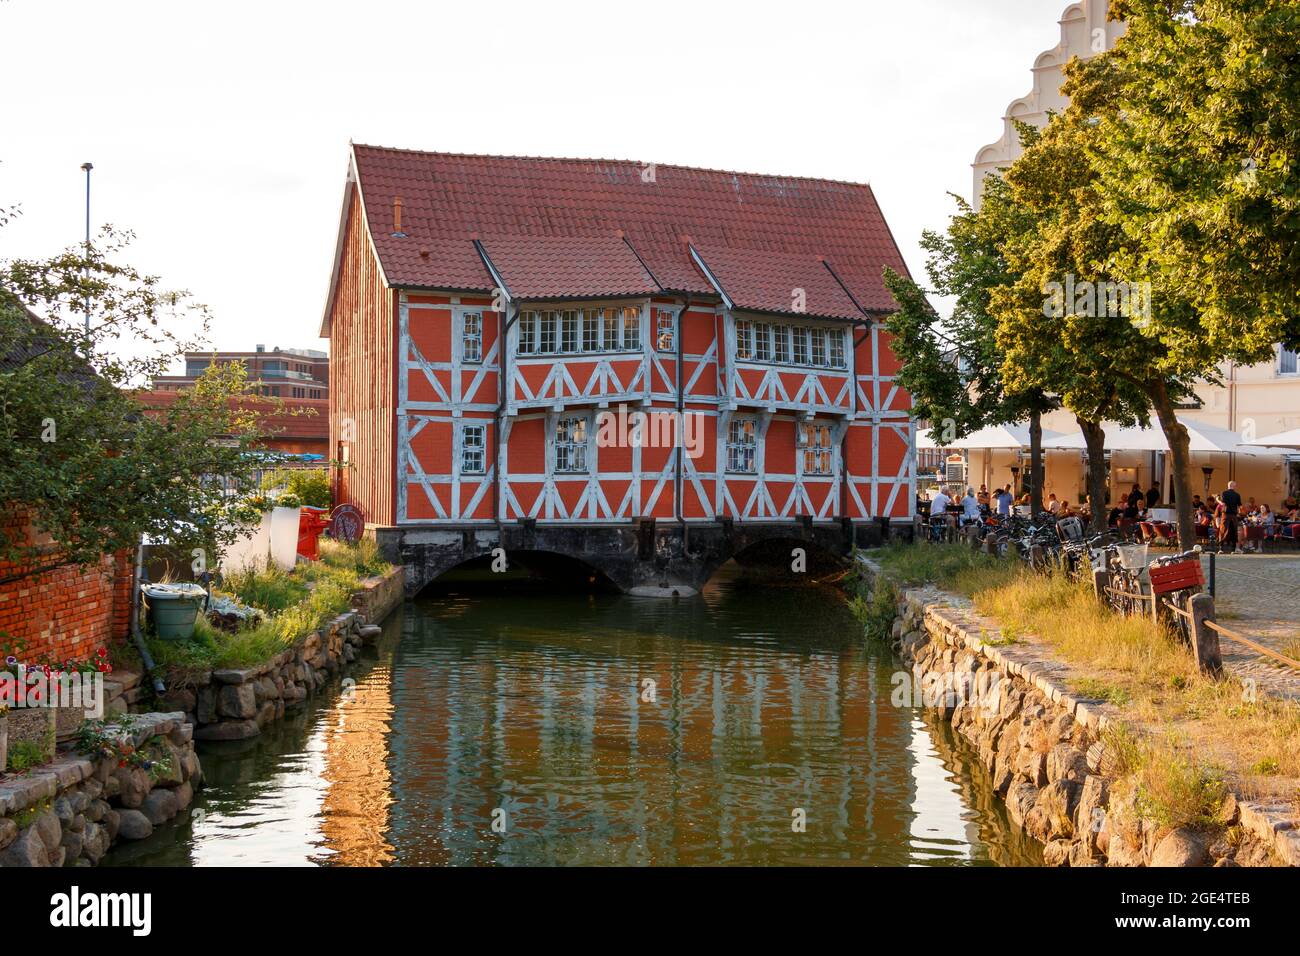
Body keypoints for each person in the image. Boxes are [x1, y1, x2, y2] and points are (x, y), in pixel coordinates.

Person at [1221, 480, 1243, 553]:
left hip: (1226, 515)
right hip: (1234, 515)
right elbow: (1240, 506)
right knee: (1234, 531)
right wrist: (1239, 513)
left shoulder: (1224, 493)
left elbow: (1223, 504)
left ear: (1228, 486)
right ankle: (1233, 549)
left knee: (1223, 530)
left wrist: (1222, 511)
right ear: (1234, 486)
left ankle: (1221, 549)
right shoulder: (1237, 495)